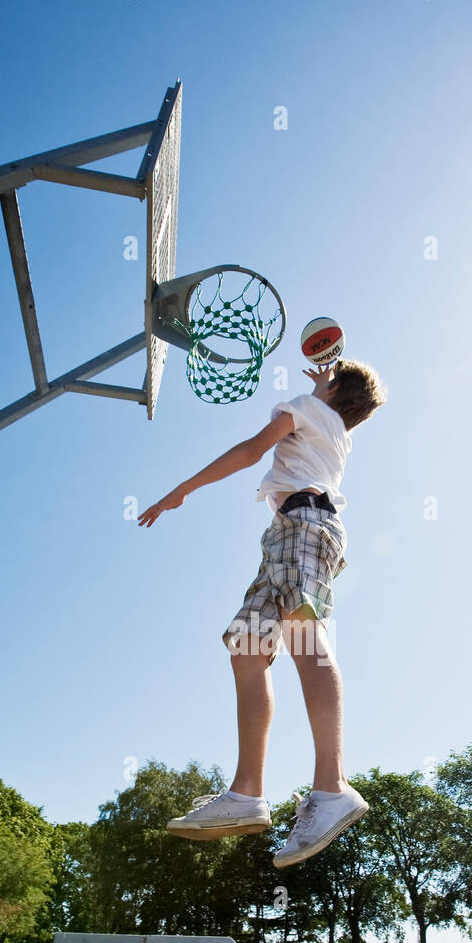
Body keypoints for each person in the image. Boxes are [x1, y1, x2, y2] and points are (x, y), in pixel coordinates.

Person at [138, 358, 387, 867]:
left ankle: (332, 786)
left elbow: (253, 449)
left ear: (332, 386)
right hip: (287, 532)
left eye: (326, 375)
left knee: (303, 636)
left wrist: (182, 489)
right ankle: (247, 791)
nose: (315, 377)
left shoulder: (308, 409)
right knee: (247, 650)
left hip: (305, 525)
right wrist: (333, 377)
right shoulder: (335, 428)